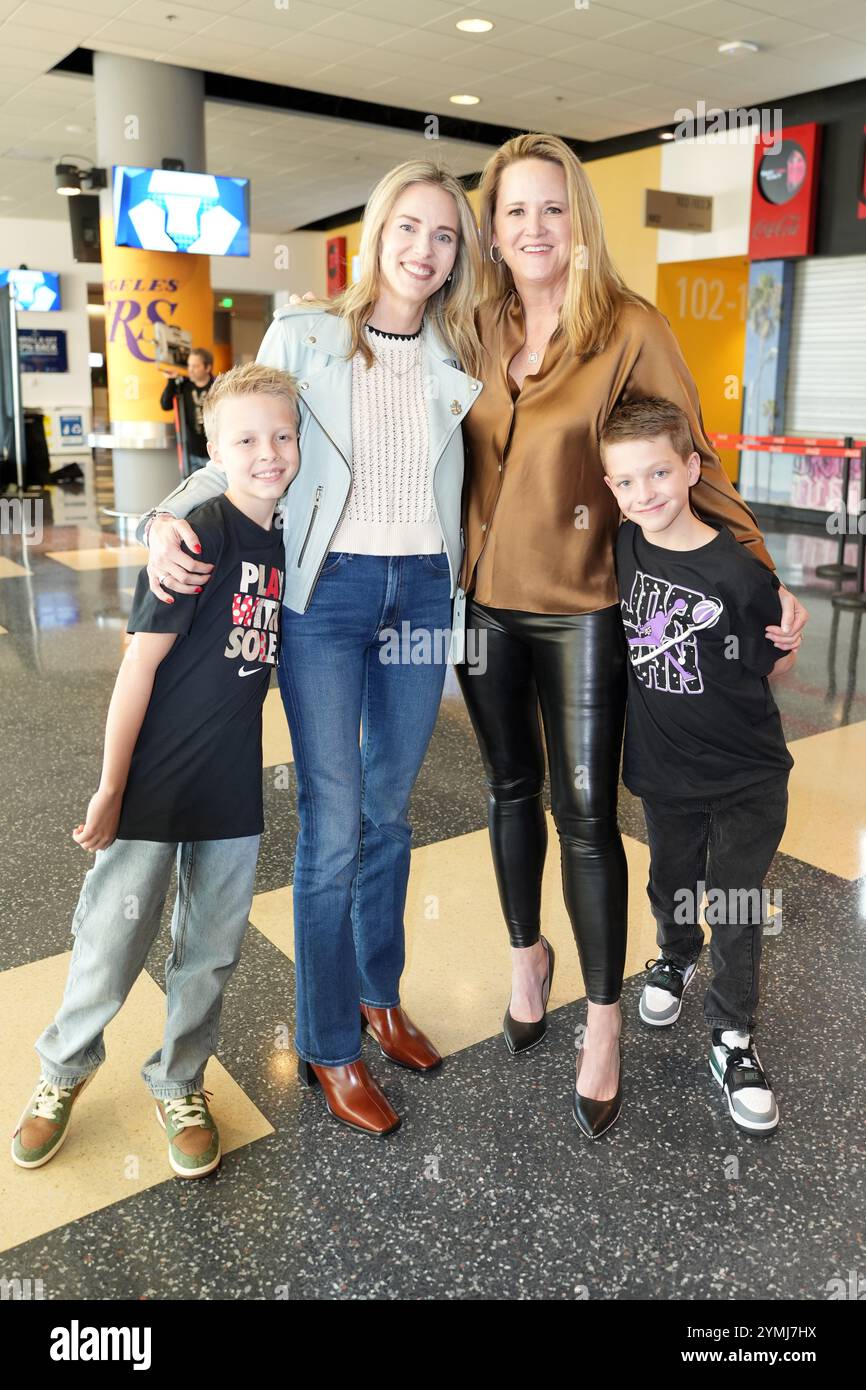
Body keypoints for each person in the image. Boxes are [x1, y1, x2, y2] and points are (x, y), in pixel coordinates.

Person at [453, 132, 807, 1139]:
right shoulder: (471, 325)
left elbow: (694, 456)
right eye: (514, 210)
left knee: (583, 810)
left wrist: (766, 580)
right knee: (505, 790)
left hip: (583, 604)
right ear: (492, 225)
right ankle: (528, 955)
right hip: (482, 604)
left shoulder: (628, 324)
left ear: (579, 220)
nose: (534, 228)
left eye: (552, 208)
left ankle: (601, 1022)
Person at [136, 161, 484, 1138]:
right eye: (407, 227)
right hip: (324, 598)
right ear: (374, 233)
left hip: (419, 589)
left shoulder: (458, 347)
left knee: (390, 814)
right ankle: (330, 1044)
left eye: (444, 235)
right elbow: (236, 444)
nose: (424, 250)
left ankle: (380, 996)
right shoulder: (302, 333)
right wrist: (165, 517)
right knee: (334, 823)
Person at [12, 363, 298, 1177]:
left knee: (209, 949)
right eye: (246, 438)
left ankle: (180, 1081)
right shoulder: (197, 531)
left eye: (282, 436)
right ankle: (62, 1072)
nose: (268, 452)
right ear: (212, 448)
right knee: (111, 939)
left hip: (232, 788)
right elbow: (138, 668)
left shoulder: (279, 538)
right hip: (153, 783)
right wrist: (111, 786)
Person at [600, 396, 795, 1135]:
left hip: (747, 777)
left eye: (658, 473)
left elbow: (770, 655)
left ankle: (732, 1036)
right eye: (625, 482)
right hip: (664, 772)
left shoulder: (737, 573)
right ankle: (675, 958)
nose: (644, 492)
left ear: (690, 469)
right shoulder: (623, 546)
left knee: (736, 903)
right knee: (670, 882)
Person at [159, 347, 215, 475]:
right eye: (189, 365)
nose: (190, 369)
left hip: (214, 452)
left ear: (207, 367)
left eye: (195, 366)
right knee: (195, 492)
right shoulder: (184, 386)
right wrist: (171, 381)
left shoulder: (216, 386)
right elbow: (165, 404)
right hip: (191, 452)